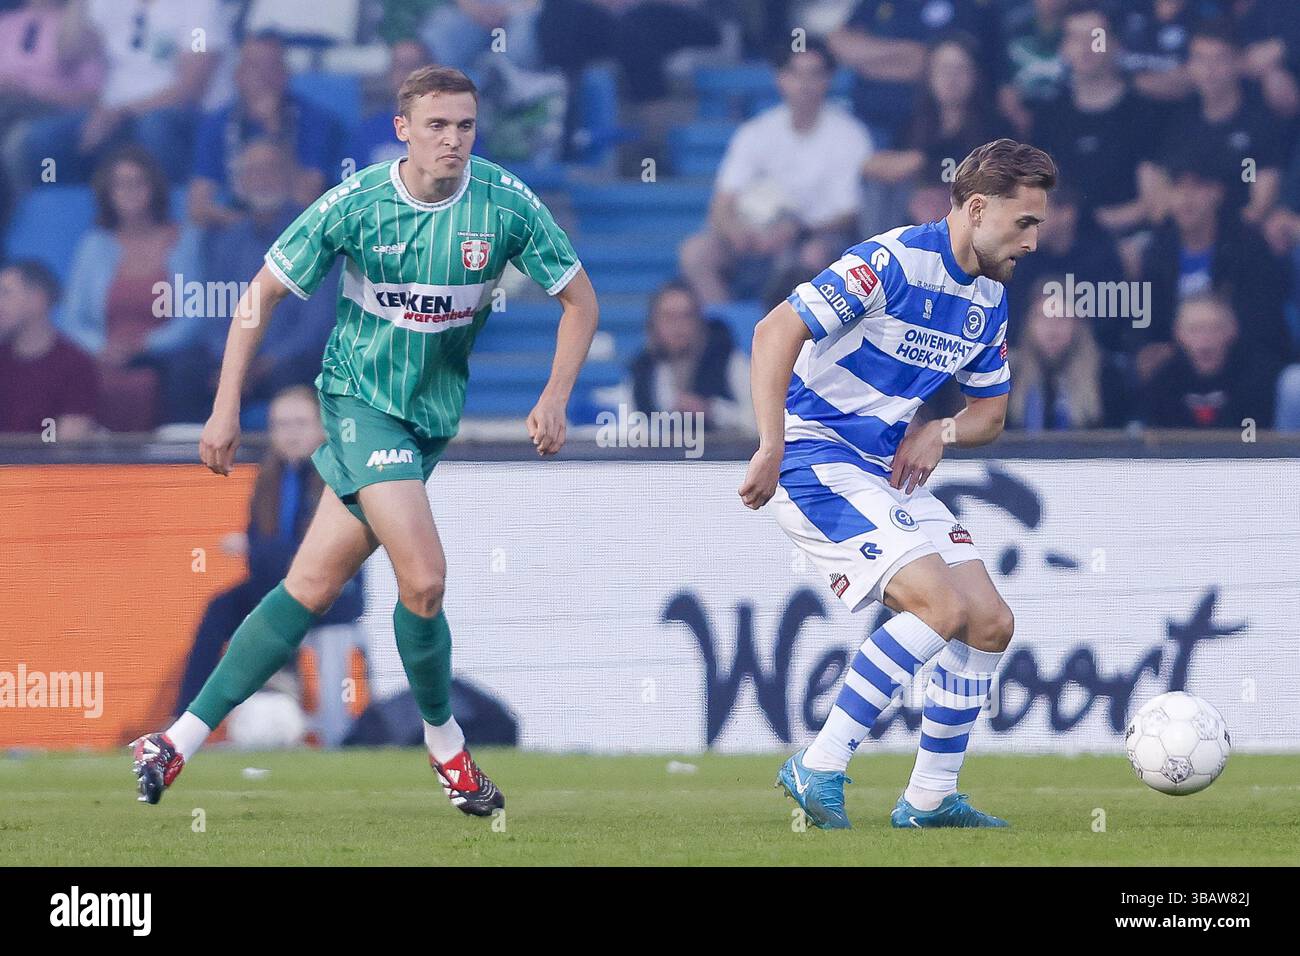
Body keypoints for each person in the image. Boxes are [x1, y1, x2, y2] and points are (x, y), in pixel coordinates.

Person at [130, 66, 599, 818]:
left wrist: (555, 395)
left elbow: (580, 299)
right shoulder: (358, 203)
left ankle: (176, 740)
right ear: (403, 129)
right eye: (438, 125)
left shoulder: (504, 205)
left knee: (309, 590)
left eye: (466, 126)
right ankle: (447, 750)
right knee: (426, 577)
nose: (453, 139)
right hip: (358, 406)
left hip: (426, 421)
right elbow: (260, 296)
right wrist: (225, 410)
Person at [739, 139, 1057, 829]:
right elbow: (773, 332)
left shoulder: (989, 298)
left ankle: (929, 798)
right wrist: (770, 442)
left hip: (882, 470)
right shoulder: (890, 262)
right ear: (976, 208)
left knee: (990, 622)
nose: (1035, 239)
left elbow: (991, 413)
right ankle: (818, 764)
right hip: (814, 455)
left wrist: (938, 431)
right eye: (1024, 222)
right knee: (939, 609)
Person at [174, 386, 363, 715]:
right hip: (277, 585)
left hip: (330, 596)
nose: (290, 434)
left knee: (279, 593)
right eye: (281, 425)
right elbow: (260, 554)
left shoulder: (338, 474)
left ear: (321, 427)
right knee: (221, 608)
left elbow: (316, 552)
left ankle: (284, 680)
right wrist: (258, 549)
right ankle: (185, 716)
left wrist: (256, 548)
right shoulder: (269, 477)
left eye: (300, 424)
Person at [679, 40, 873, 306]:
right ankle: (731, 331)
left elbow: (849, 214)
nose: (804, 84)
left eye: (814, 74)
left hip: (814, 236)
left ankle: (802, 336)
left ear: (828, 79)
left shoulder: (851, 136)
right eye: (795, 73)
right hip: (752, 236)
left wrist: (795, 229)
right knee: (696, 253)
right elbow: (722, 203)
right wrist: (736, 231)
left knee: (813, 255)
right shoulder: (755, 132)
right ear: (780, 78)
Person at [58, 145, 203, 432]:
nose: (129, 191)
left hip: (162, 357)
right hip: (102, 354)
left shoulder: (185, 240)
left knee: (177, 375)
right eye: (119, 185)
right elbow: (71, 318)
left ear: (154, 188)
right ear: (107, 193)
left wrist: (143, 346)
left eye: (137, 182)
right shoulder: (94, 245)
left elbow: (192, 319)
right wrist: (102, 347)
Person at [187, 32, 345, 229]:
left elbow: (308, 198)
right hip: (236, 227)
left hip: (297, 229)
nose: (261, 76)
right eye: (253, 67)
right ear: (237, 75)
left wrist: (276, 132)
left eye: (270, 67)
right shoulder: (217, 124)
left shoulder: (316, 122)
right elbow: (198, 207)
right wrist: (248, 226)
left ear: (285, 74)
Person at [613, 280, 755, 433]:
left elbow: (759, 421)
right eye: (669, 317)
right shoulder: (642, 370)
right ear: (654, 323)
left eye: (686, 316)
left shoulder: (729, 362)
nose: (678, 326)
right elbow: (629, 428)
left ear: (699, 322)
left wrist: (711, 411)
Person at [1004, 282, 1128, 430]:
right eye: (1043, 317)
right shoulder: (1007, 377)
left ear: (1078, 324)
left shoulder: (1108, 378)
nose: (1052, 330)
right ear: (1029, 324)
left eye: (1062, 317)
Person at [1140, 294, 1276, 428]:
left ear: (1232, 330)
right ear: (1178, 334)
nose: (1205, 338)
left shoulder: (1257, 376)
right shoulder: (1163, 381)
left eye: (1215, 328)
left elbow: (1256, 438)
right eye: (1195, 330)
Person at [0, 259, 97, 439]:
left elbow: (67, 445)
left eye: (6, 293)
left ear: (37, 299)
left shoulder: (75, 363)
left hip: (43, 465)